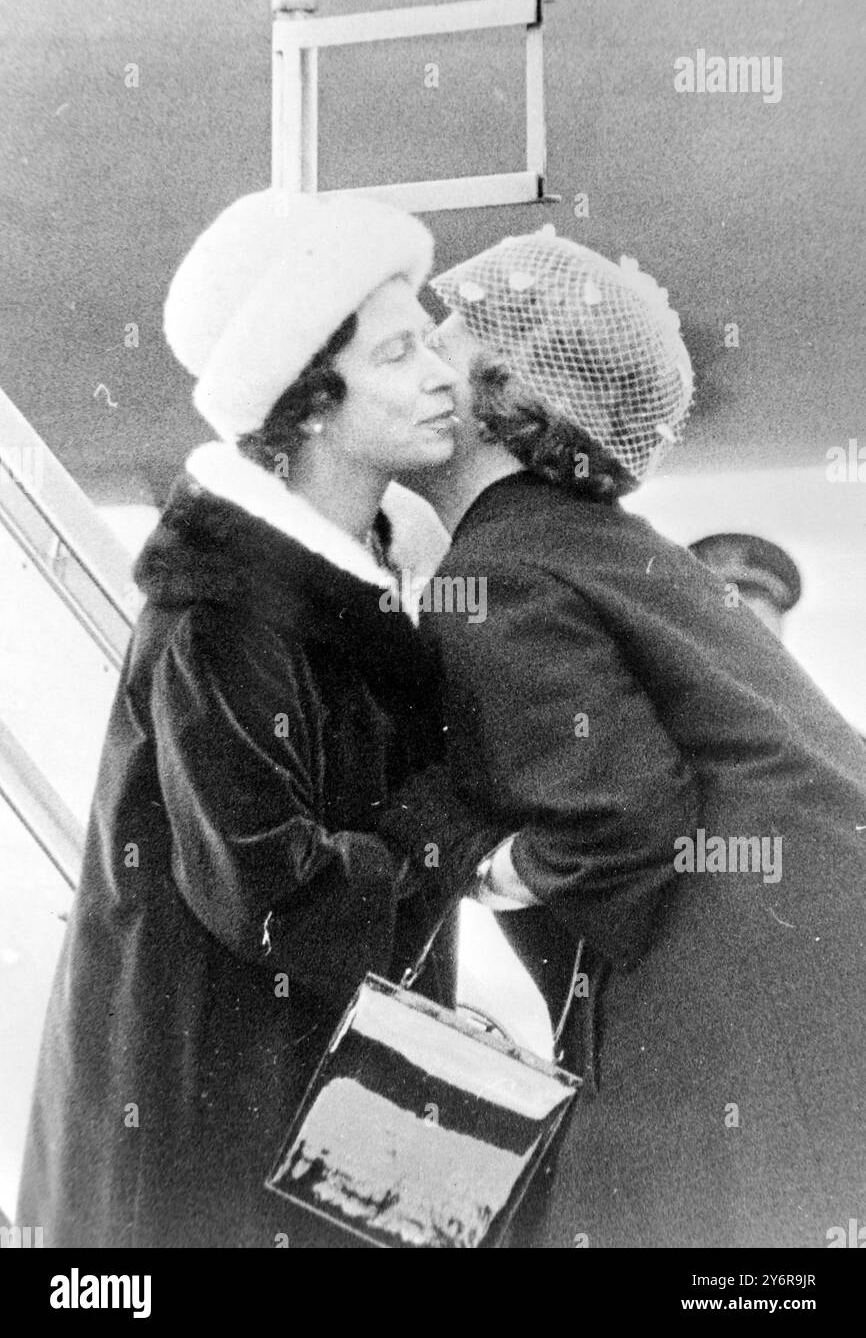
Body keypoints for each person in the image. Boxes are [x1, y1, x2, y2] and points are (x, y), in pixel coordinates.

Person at [16, 190, 498, 1249]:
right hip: (204, 1113)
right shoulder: (225, 615)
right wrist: (453, 842)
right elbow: (269, 894)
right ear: (311, 400)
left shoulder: (354, 573)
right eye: (398, 354)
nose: (442, 376)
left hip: (276, 1093)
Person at [390, 226, 866, 1247]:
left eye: (439, 338)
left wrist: (470, 869)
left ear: (498, 385)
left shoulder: (500, 570)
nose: (419, 365)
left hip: (743, 1005)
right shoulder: (596, 543)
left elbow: (612, 835)